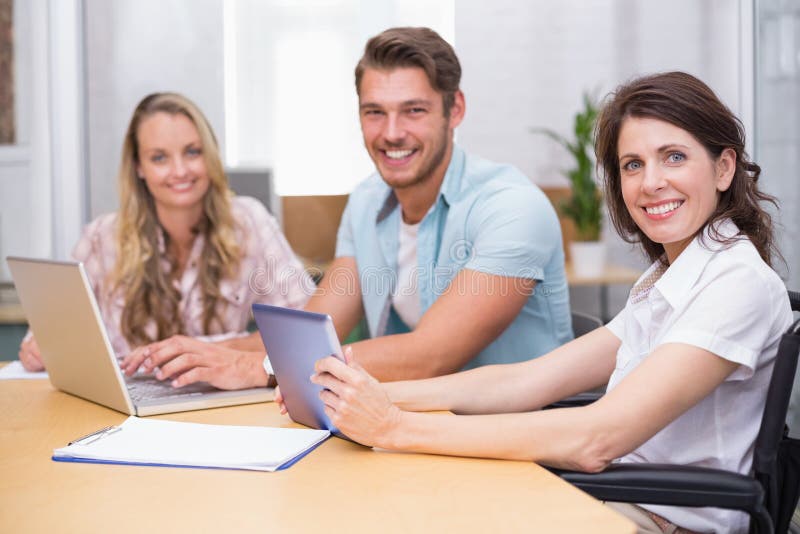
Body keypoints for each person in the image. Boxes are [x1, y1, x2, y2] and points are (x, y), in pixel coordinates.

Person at [306, 71, 794, 533]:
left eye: (674, 157)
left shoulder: (735, 283)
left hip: (658, 518)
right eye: (633, 165)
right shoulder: (673, 275)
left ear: (724, 168)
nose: (650, 183)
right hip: (612, 496)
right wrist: (359, 396)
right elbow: (528, 380)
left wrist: (394, 427)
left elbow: (597, 439)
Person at [121, 27, 572, 386]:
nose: (391, 132)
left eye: (413, 110)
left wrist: (257, 369)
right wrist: (194, 355)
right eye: (375, 112)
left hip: (522, 448)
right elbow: (313, 331)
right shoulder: (367, 202)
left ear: (454, 110)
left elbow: (430, 355)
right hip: (415, 432)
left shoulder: (511, 208)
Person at [19, 92, 313, 389]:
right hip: (126, 401)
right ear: (138, 167)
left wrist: (218, 350)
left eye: (192, 152)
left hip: (214, 400)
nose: (180, 171)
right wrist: (38, 348)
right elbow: (48, 333)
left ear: (210, 155)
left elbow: (307, 325)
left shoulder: (249, 221)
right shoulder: (101, 238)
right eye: (159, 158)